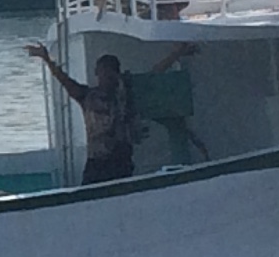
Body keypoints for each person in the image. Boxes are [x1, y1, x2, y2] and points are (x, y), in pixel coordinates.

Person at [26, 39, 193, 186]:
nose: (105, 76)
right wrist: (47, 59)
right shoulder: (87, 96)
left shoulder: (128, 94)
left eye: (109, 71)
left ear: (116, 73)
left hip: (121, 162)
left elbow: (153, 74)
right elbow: (64, 80)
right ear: (96, 73)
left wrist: (176, 54)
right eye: (102, 71)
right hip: (97, 162)